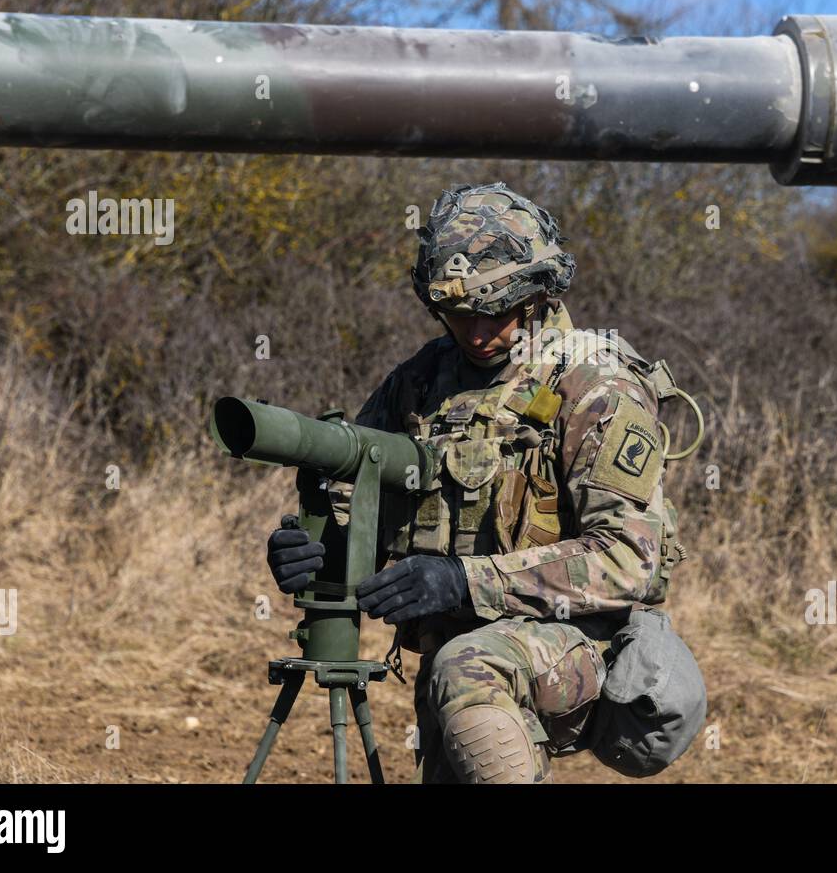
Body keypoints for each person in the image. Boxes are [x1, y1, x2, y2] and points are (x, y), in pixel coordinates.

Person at [266, 181, 687, 782]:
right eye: (457, 314)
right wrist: (317, 555)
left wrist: (464, 582)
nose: (476, 331)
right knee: (457, 682)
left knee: (466, 667)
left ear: (537, 293)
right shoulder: (419, 383)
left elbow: (628, 561)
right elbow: (354, 509)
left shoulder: (595, 383)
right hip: (455, 655)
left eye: (494, 310)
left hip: (581, 644)